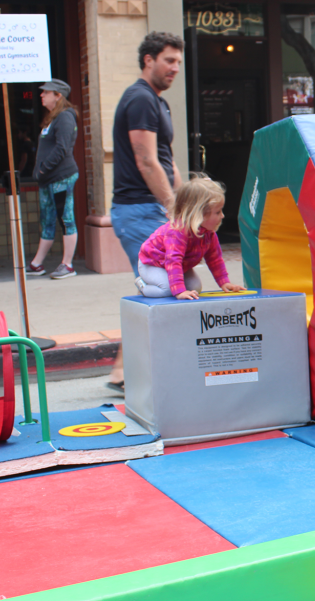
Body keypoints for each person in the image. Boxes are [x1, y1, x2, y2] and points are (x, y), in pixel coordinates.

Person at [107, 31, 185, 393]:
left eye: (179, 63)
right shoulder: (139, 98)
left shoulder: (157, 102)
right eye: (169, 60)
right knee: (165, 287)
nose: (175, 68)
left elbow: (167, 162)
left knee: (162, 287)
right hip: (141, 209)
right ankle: (132, 370)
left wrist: (186, 203)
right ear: (148, 60)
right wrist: (174, 211)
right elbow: (146, 161)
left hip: (153, 207)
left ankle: (124, 370)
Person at [137, 177, 245, 299]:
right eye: (218, 212)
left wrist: (224, 282)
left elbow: (215, 259)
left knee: (195, 288)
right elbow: (173, 261)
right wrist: (179, 291)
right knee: (167, 290)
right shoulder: (177, 232)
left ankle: (169, 286)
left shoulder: (208, 233)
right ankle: (143, 285)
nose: (223, 215)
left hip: (179, 265)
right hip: (152, 264)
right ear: (199, 214)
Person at [26, 79, 80, 279]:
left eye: (46, 92)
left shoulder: (65, 117)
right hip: (49, 179)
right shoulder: (53, 118)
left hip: (61, 178)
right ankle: (37, 264)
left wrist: (42, 170)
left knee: (66, 219)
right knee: (47, 219)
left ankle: (67, 265)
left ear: (58, 96)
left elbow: (62, 148)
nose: (41, 95)